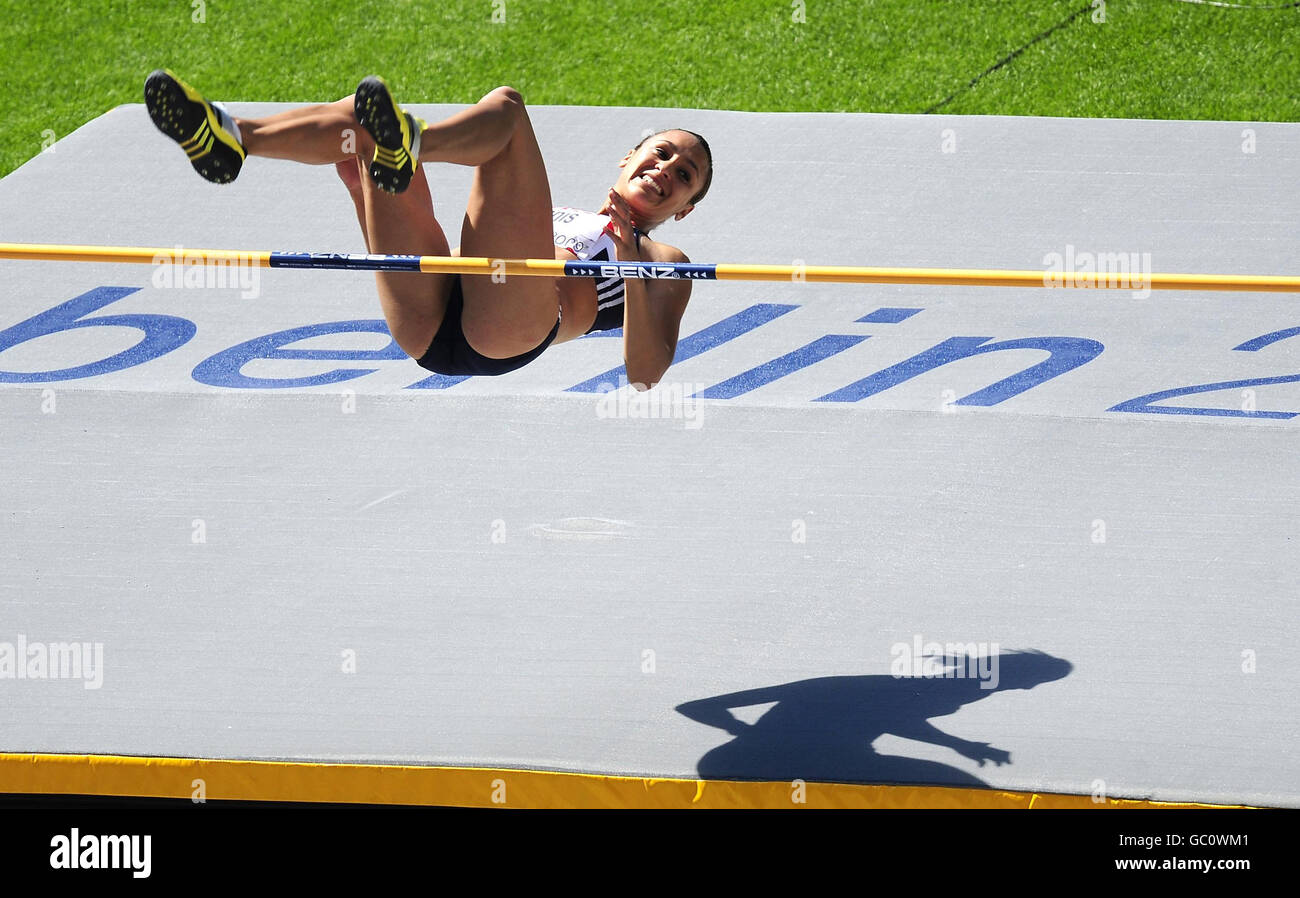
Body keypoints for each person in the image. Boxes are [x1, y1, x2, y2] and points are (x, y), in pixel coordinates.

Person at [143, 70, 713, 385]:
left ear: (685, 206)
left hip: (505, 334)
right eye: (660, 153)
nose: (666, 170)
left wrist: (631, 255)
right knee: (359, 122)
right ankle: (235, 138)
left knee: (508, 110)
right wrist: (372, 194)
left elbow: (644, 374)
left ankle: (414, 145)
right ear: (627, 157)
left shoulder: (664, 255)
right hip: (429, 319)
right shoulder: (553, 209)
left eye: (684, 174)